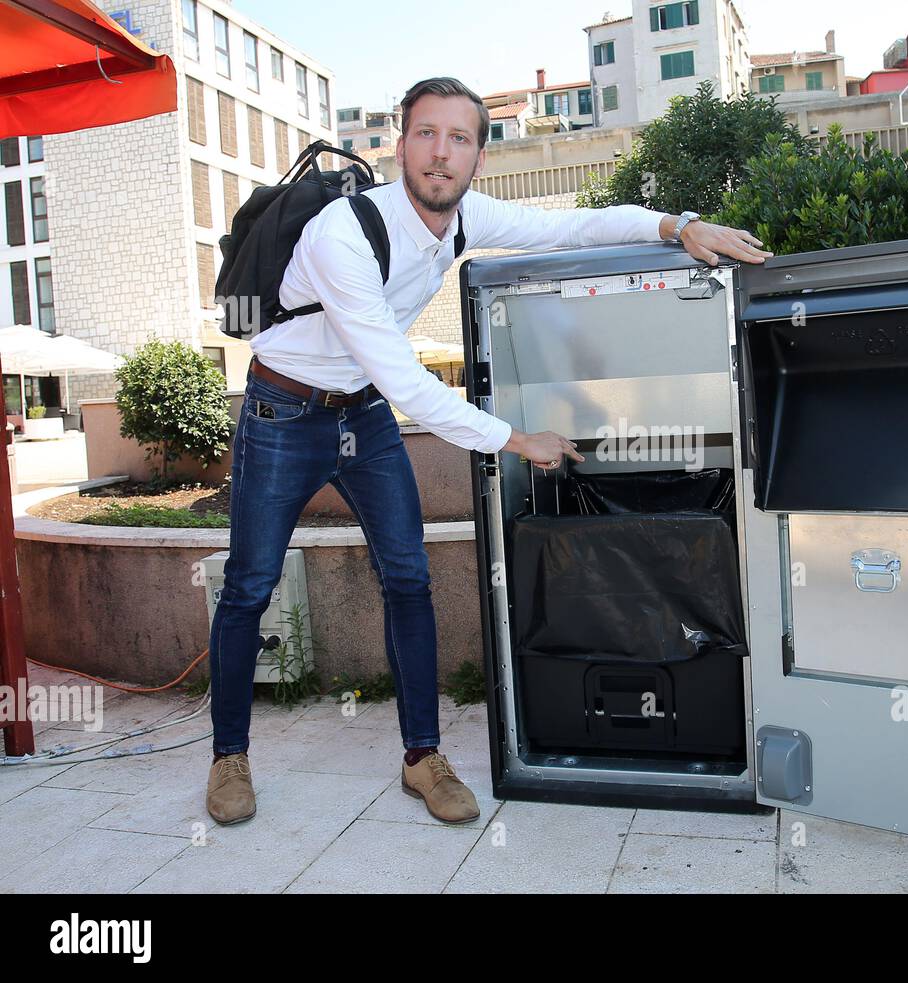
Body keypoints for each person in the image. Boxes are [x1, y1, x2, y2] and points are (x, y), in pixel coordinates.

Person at [205, 77, 772, 827]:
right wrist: (515, 437)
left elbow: (571, 229)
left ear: (478, 157)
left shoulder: (466, 216)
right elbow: (405, 379)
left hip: (361, 411)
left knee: (409, 578)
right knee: (249, 585)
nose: (441, 153)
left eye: (459, 138)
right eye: (426, 134)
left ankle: (422, 757)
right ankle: (229, 757)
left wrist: (678, 226)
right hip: (283, 410)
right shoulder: (343, 233)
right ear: (400, 146)